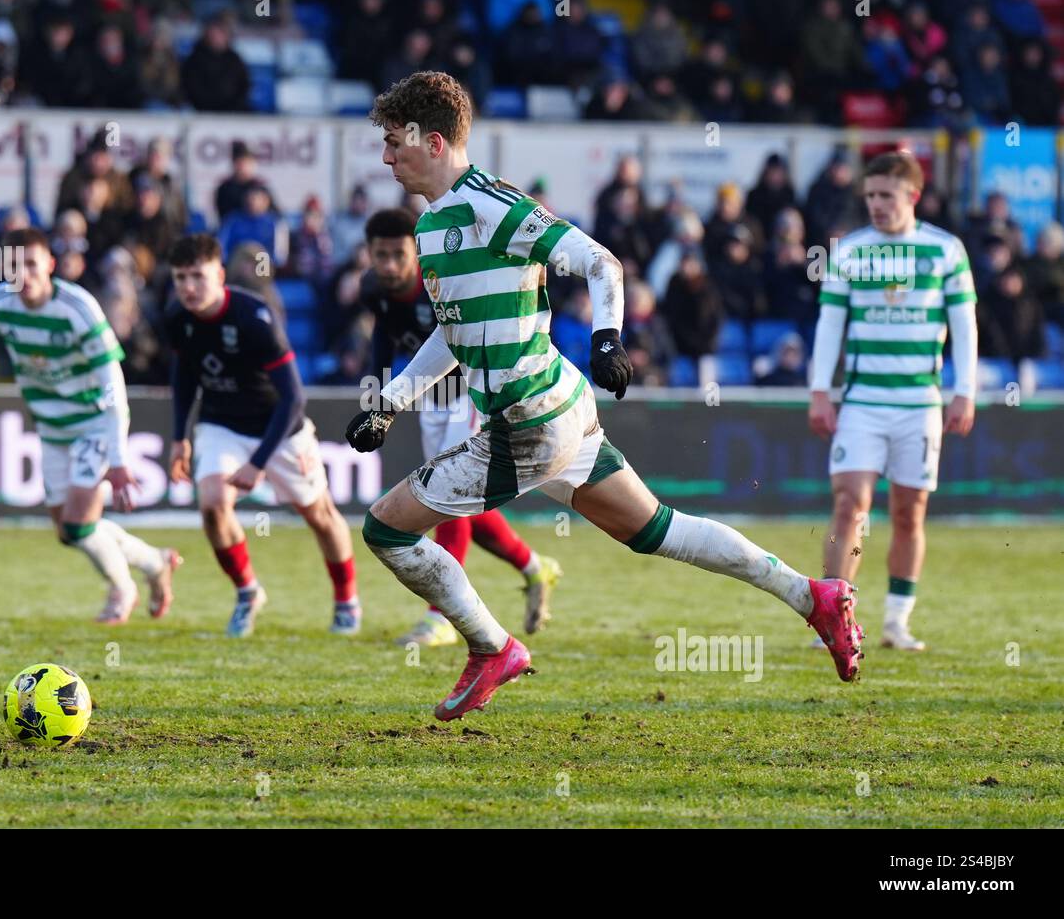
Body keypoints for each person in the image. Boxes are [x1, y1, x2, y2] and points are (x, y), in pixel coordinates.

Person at [349, 72, 862, 722]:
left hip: (527, 419)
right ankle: (813, 595)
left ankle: (491, 646)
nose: (387, 157)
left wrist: (607, 338)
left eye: (395, 142)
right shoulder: (431, 228)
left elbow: (600, 262)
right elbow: (454, 335)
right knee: (659, 529)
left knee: (384, 527)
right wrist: (391, 401)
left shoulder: (493, 204)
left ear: (438, 140)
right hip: (557, 411)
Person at [360, 207, 564, 646]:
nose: (391, 265)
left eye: (399, 254)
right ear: (369, 255)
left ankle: (440, 617)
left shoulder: (440, 285)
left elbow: (454, 343)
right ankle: (534, 567)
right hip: (427, 401)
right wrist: (379, 399)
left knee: (446, 494)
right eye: (381, 255)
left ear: (414, 251)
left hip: (469, 394)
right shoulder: (373, 289)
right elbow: (384, 334)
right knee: (466, 504)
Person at [0, 227, 181, 624]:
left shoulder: (78, 309)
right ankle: (155, 562)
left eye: (31, 264)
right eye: (13, 267)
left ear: (50, 264)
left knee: (79, 526)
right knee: (68, 532)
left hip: (95, 423)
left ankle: (123, 590)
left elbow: (113, 382)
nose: (23, 275)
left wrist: (117, 455)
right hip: (52, 429)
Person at [808, 151, 978, 652]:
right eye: (870, 196)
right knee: (849, 505)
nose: (877, 205)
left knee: (910, 514)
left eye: (886, 195)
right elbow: (829, 325)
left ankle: (896, 623)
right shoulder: (851, 252)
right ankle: (835, 619)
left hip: (920, 405)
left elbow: (965, 326)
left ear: (913, 196)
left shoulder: (945, 251)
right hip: (862, 402)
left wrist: (964, 390)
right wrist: (820, 389)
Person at [164, 234, 362, 638]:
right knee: (213, 504)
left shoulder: (255, 316)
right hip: (221, 424)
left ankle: (346, 601)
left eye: (197, 277)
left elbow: (293, 397)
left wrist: (258, 463)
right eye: (180, 277)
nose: (187, 287)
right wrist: (179, 436)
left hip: (280, 428)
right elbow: (184, 374)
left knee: (319, 516)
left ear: (219, 275)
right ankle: (247, 592)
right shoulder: (176, 317)